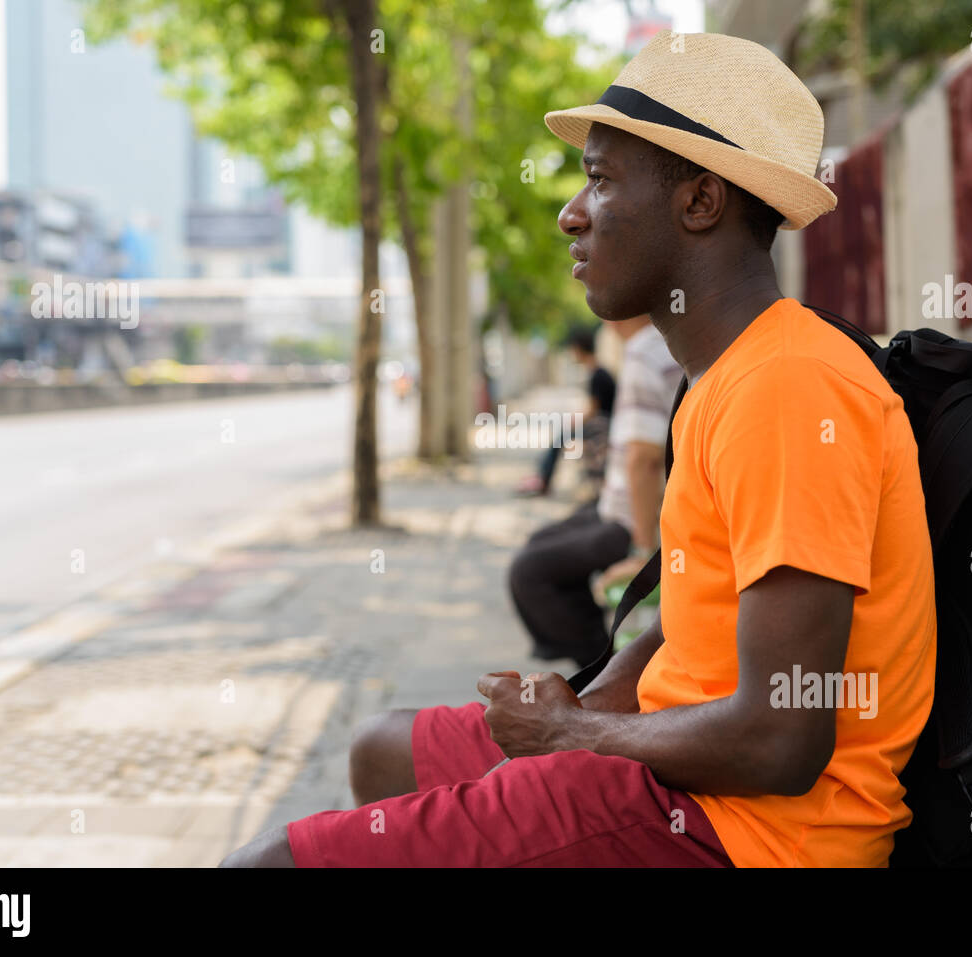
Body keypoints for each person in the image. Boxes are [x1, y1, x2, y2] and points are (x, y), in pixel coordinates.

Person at [222, 30, 935, 868]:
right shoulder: (725, 373)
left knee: (267, 863)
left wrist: (573, 732)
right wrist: (593, 698)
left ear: (700, 201)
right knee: (383, 748)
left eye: (600, 181)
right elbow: (693, 629)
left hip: (750, 834)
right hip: (695, 781)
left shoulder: (791, 389)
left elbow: (782, 739)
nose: (571, 212)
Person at [507, 313, 681, 666]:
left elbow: (645, 460)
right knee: (538, 545)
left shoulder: (646, 351)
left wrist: (642, 551)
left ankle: (602, 672)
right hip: (615, 507)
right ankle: (606, 662)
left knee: (529, 571)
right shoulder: (654, 347)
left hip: (634, 521)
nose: (577, 257)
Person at [513, 325, 615, 496]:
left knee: (562, 435)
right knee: (563, 433)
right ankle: (542, 477)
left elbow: (592, 410)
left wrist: (573, 422)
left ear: (579, 349)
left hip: (604, 425)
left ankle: (543, 480)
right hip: (604, 422)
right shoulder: (598, 372)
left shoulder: (598, 374)